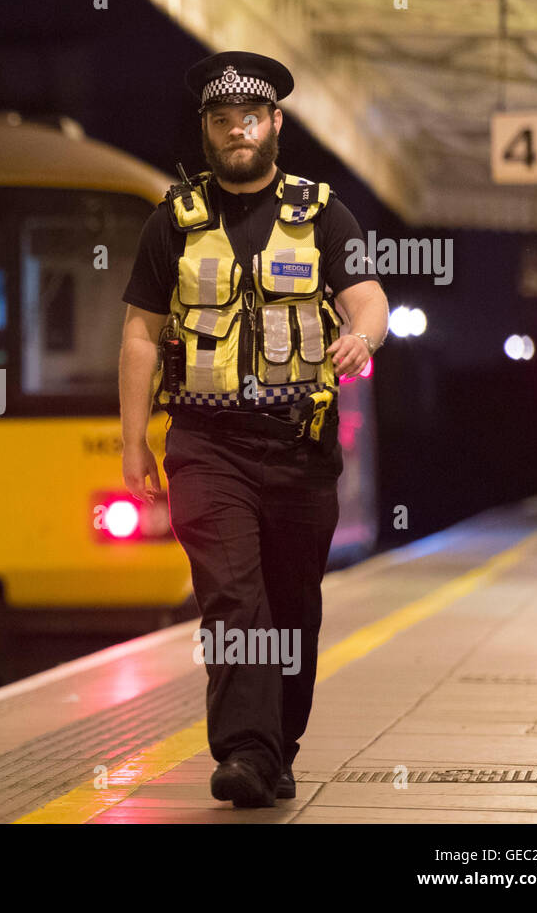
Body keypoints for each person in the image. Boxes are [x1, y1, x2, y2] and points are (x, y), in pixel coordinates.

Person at [118, 51, 389, 808]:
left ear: (274, 124)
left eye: (250, 118)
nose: (237, 131)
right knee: (234, 599)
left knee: (293, 607)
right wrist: (133, 438)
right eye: (220, 120)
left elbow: (368, 297)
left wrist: (362, 338)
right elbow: (140, 335)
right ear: (206, 131)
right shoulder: (170, 224)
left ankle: (278, 749)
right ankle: (242, 750)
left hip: (300, 447)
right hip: (206, 445)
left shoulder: (324, 213)